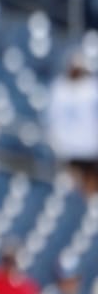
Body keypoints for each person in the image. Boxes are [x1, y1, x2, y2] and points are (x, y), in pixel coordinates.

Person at [46, 50, 98, 196]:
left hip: (89, 147)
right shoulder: (59, 87)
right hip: (69, 147)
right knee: (72, 185)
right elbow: (52, 116)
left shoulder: (92, 87)